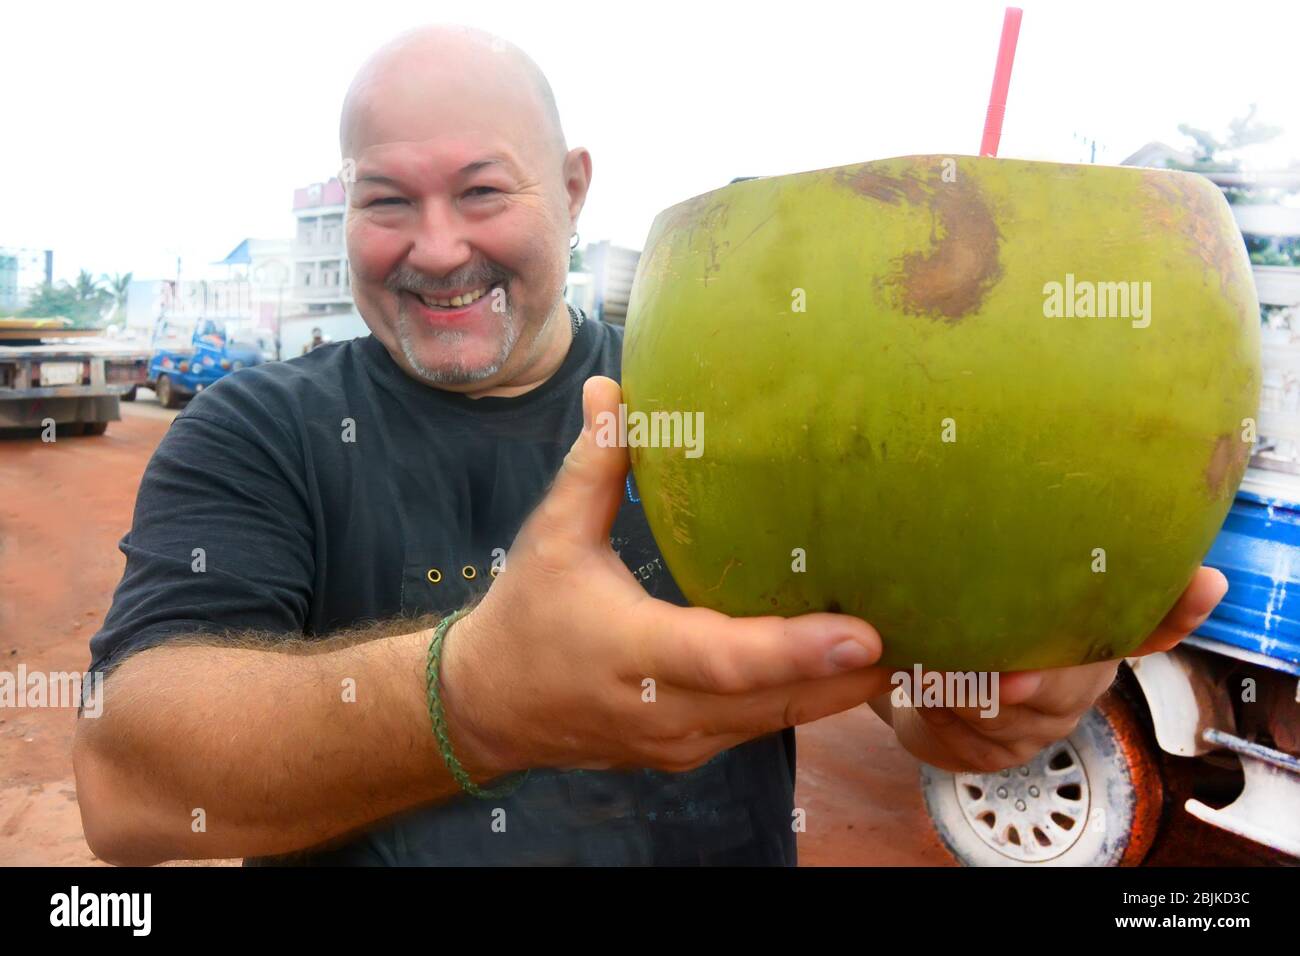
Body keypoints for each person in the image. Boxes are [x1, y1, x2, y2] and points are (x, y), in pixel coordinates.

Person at [73, 24, 1227, 866]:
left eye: (482, 191)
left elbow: (891, 667)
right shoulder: (258, 429)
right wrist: (470, 698)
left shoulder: (727, 403)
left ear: (574, 189)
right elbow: (127, 782)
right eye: (386, 201)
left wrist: (977, 698)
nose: (436, 248)